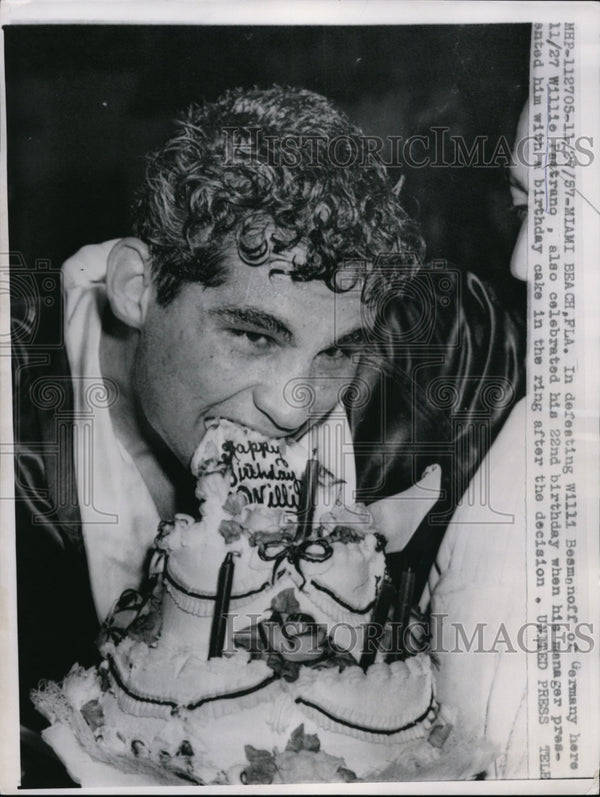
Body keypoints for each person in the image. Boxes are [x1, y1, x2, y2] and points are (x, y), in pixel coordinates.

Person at [11, 85, 525, 783]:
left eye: (339, 352)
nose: (293, 407)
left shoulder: (452, 352)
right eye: (254, 334)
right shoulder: (18, 413)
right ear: (136, 286)